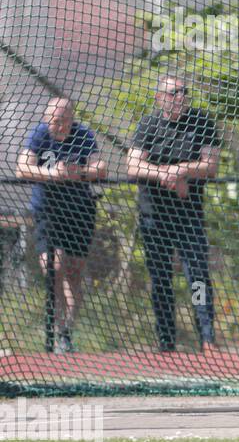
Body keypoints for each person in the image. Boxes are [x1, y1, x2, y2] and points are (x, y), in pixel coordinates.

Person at [127, 75, 221, 352]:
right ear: (159, 98)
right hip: (154, 214)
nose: (179, 97)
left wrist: (182, 170)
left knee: (198, 277)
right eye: (172, 93)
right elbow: (133, 167)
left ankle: (207, 336)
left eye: (183, 92)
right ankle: (166, 339)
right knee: (160, 278)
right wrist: (164, 174)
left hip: (188, 214)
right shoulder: (148, 124)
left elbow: (211, 165)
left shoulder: (201, 122)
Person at [16, 97, 107, 353]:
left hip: (79, 212)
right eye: (56, 120)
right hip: (47, 212)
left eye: (65, 119)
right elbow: (22, 167)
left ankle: (66, 331)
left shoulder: (83, 134)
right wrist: (51, 174)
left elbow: (100, 167)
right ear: (48, 118)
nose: (61, 125)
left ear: (72, 117)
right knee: (52, 268)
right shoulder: (39, 134)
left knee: (74, 271)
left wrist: (77, 172)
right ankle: (54, 329)